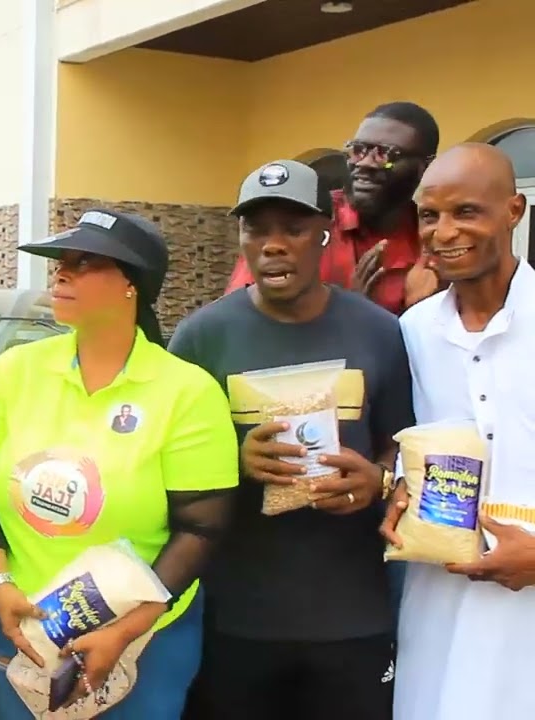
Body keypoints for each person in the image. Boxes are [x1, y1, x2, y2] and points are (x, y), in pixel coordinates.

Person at [0, 210, 240, 718]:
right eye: (61, 262)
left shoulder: (187, 391)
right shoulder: (19, 370)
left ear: (133, 285)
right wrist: (0, 585)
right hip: (25, 626)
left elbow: (201, 529)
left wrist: (124, 631)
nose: (61, 274)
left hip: (145, 637)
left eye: (84, 263)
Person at [173, 160, 414, 720]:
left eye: (293, 228)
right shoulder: (201, 338)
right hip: (234, 619)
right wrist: (233, 460)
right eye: (256, 229)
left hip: (354, 617)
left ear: (325, 233)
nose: (273, 245)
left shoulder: (379, 331)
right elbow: (167, 461)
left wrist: (375, 479)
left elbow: (403, 443)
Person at [381, 143, 535, 720]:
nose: (443, 232)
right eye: (428, 215)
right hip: (439, 603)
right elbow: (409, 444)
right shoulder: (415, 330)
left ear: (514, 211)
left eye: (466, 211)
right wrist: (394, 488)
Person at [225, 102, 443, 315]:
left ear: (425, 166)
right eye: (358, 150)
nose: (365, 163)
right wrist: (348, 311)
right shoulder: (305, 217)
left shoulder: (432, 239)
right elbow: (236, 319)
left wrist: (423, 312)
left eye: (386, 154)